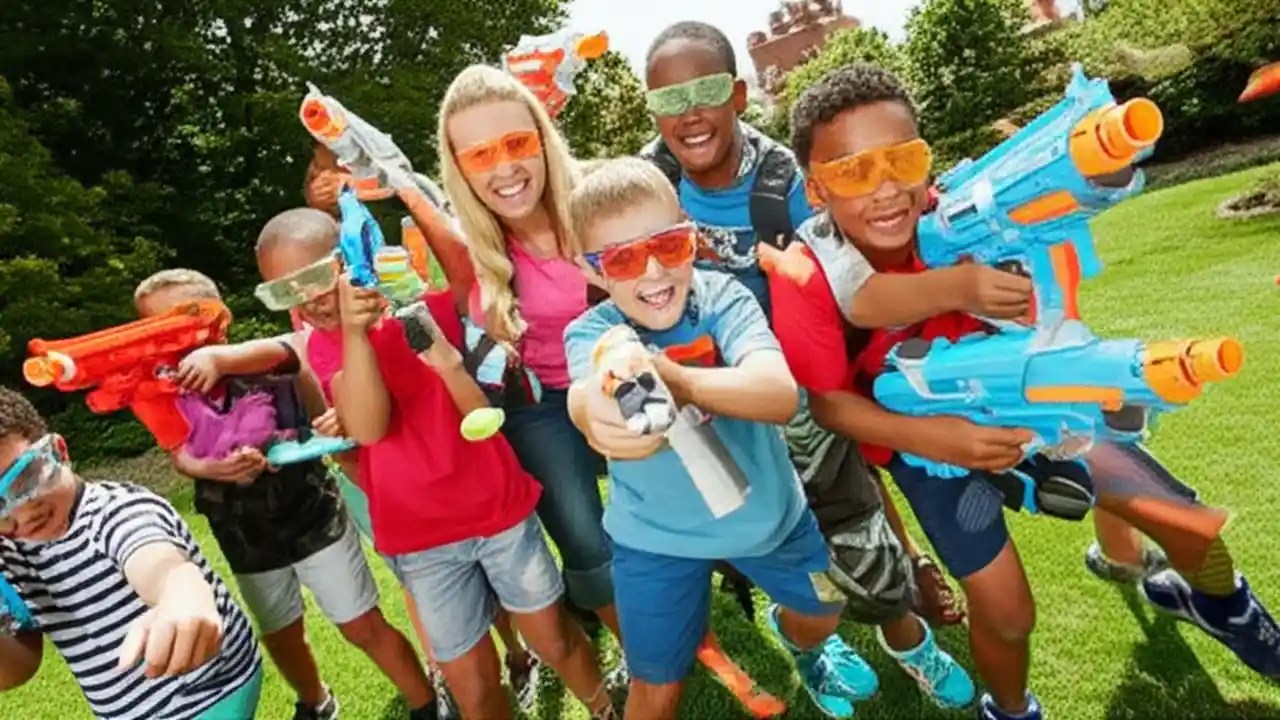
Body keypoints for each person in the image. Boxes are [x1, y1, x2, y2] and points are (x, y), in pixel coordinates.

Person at [769, 63, 1280, 720]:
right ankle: (1009, 710)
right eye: (853, 171)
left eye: (903, 158)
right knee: (1008, 612)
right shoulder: (805, 276)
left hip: (1031, 392)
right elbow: (831, 404)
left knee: (1187, 522)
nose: (887, 187)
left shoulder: (957, 210)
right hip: (928, 447)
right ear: (815, 190)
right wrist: (939, 437)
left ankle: (1219, 603)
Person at [562, 156, 970, 720]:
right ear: (590, 270)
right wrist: (592, 408)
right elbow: (585, 397)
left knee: (825, 611)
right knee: (654, 688)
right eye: (623, 258)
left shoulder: (723, 296)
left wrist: (678, 380)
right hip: (655, 539)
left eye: (670, 246)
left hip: (771, 519)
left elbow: (778, 394)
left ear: (690, 231)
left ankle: (795, 637)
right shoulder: (592, 332)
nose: (653, 273)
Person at [639, 19, 966, 629]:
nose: (689, 115)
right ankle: (792, 595)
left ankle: (905, 567)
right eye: (669, 101)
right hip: (706, 384)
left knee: (852, 481)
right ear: (653, 111)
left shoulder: (782, 176)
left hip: (800, 366)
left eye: (705, 93)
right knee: (745, 508)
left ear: (737, 95)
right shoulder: (646, 185)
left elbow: (847, 271)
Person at [251, 206, 618, 720]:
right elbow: (370, 429)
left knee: (553, 639)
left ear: (348, 258)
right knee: (471, 686)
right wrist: (355, 336)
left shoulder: (430, 307)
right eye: (285, 291)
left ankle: (605, 708)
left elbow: (467, 280)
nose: (308, 299)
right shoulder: (325, 349)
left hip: (496, 511)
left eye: (315, 277)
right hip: (420, 538)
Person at [131, 269, 439, 720]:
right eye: (155, 327)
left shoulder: (258, 358)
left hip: (312, 516)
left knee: (360, 624)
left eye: (180, 321)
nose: (170, 338)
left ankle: (427, 704)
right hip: (243, 530)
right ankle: (316, 702)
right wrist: (209, 468)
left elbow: (288, 355)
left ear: (218, 318)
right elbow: (178, 451)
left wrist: (219, 359)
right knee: (280, 632)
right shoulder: (162, 385)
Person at [302, 145, 538, 716]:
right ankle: (452, 671)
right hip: (400, 497)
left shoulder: (398, 281)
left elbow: (454, 290)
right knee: (433, 589)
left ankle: (516, 653)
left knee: (496, 585)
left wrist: (398, 185)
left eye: (347, 167)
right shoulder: (312, 301)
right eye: (320, 172)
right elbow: (334, 391)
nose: (333, 180)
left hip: (470, 473)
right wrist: (347, 432)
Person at [0, 386, 262, 719]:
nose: (21, 513)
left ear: (58, 451)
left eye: (24, 479)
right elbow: (17, 667)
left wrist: (181, 593)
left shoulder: (115, 511)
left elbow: (158, 563)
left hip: (208, 691)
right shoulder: (12, 554)